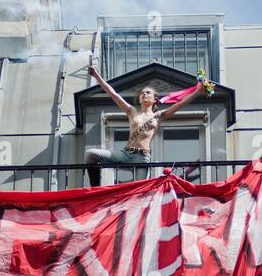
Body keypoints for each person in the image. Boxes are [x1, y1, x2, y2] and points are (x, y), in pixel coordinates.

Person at [84, 63, 212, 187]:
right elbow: (113, 93)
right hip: (125, 154)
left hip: (142, 157)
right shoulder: (131, 111)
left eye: (148, 93)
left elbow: (181, 104)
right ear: (139, 99)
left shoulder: (159, 115)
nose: (144, 94)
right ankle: (95, 189)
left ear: (155, 99)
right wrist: (96, 76)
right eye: (142, 93)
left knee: (140, 192)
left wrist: (197, 91)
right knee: (90, 154)